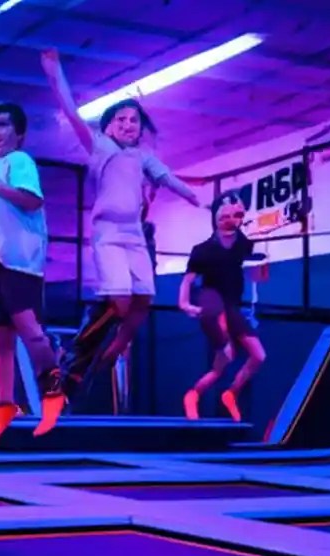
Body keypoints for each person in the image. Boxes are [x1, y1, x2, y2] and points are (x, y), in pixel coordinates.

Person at [41, 49, 200, 423]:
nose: (129, 125)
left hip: (134, 234)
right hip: (108, 232)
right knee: (121, 301)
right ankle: (75, 350)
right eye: (122, 119)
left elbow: (165, 176)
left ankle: (114, 349)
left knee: (144, 298)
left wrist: (192, 195)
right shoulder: (99, 145)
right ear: (109, 126)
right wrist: (54, 73)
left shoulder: (142, 155)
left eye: (134, 120)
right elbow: (70, 111)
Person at [0, 101, 64, 442]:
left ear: (19, 133)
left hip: (21, 265)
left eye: (1, 125)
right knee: (1, 342)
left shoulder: (19, 161)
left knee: (33, 334)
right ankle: (5, 405)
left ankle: (54, 393)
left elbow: (32, 200)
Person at [178, 192, 267, 421]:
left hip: (233, 306)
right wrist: (184, 303)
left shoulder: (243, 244)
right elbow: (187, 281)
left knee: (257, 356)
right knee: (224, 358)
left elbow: (258, 267)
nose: (231, 220)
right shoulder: (202, 250)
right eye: (225, 216)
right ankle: (193, 394)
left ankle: (230, 393)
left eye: (236, 215)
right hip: (214, 302)